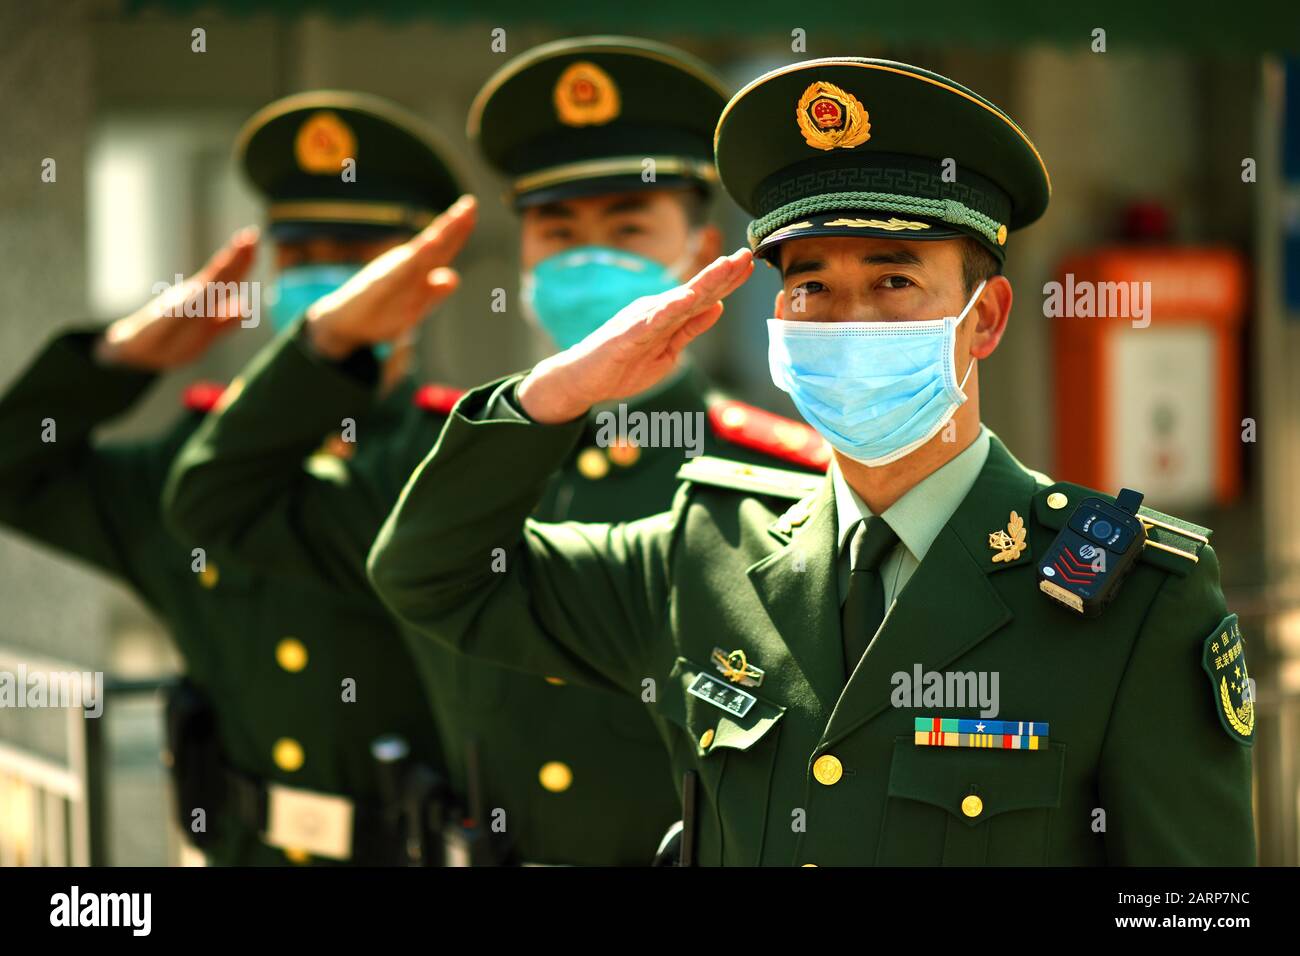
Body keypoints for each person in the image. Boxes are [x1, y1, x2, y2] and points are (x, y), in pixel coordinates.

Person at [363, 57, 1256, 866]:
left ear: (984, 319)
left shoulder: (1136, 598)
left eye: (894, 280)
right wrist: (559, 393)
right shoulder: (701, 554)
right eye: (811, 286)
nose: (849, 320)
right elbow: (430, 576)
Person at [164, 37, 829, 866]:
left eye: (628, 227)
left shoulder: (785, 478)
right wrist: (328, 340)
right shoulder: (444, 466)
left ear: (700, 248)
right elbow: (217, 505)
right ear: (522, 254)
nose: (589, 257)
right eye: (557, 229)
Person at [0, 91, 462, 865]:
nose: (329, 285)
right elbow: (16, 472)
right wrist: (118, 362)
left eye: (357, 260)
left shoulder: (453, 456)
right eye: (302, 257)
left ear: (426, 274)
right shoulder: (193, 461)